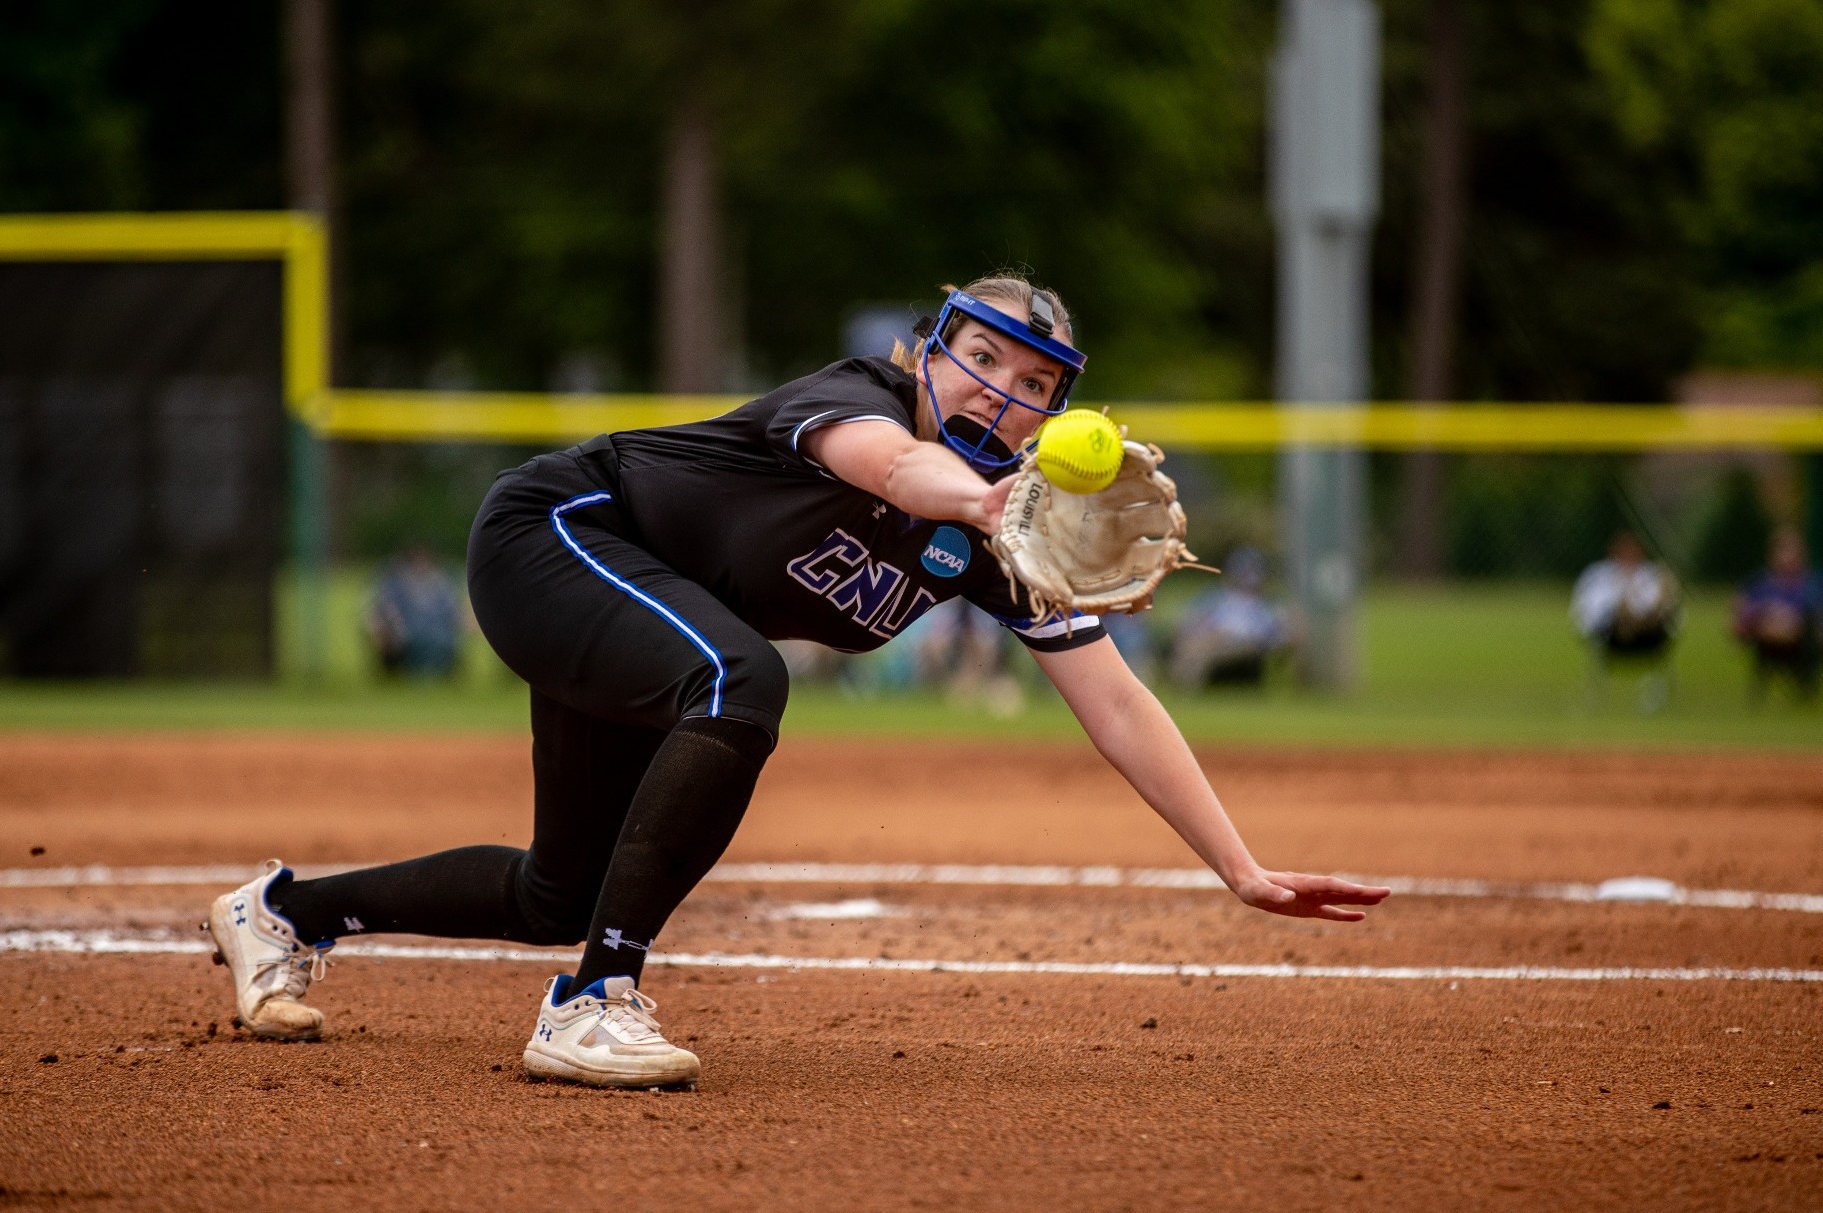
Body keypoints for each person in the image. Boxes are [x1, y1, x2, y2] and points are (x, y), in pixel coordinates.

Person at [205, 275, 1390, 1088]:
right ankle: (592, 1002)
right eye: (979, 356)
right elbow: (894, 468)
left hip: (645, 611)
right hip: (557, 534)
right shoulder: (858, 403)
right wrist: (984, 501)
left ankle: (283, 912)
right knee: (741, 677)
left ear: (1054, 411)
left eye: (1032, 380)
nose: (997, 389)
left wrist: (1238, 866)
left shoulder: (1008, 538)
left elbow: (1117, 700)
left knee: (556, 888)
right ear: (926, 351)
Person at [1570, 530, 1681, 712]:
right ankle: (1629, 621)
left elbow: (1671, 614)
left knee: (1665, 582)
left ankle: (1635, 622)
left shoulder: (1650, 575)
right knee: (1623, 606)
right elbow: (1586, 612)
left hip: (1649, 633)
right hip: (1614, 633)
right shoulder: (1599, 575)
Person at [1167, 546, 1287, 690]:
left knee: (1204, 647)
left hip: (1243, 644)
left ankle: (1186, 687)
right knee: (1192, 644)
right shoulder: (1216, 596)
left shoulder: (1265, 604)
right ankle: (1181, 684)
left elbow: (1271, 633)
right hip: (1210, 638)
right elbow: (1192, 619)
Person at [1730, 527, 1821, 703]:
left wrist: (1790, 620)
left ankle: (1805, 685)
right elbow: (1740, 613)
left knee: (1807, 622)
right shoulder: (1761, 584)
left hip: (1806, 639)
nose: (1787, 556)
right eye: (1782, 550)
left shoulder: (1812, 584)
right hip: (1769, 639)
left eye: (1791, 550)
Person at [364, 544, 462, 678]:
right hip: (403, 637)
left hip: (437, 638)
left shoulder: (441, 585)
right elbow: (379, 609)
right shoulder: (395, 584)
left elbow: (454, 611)